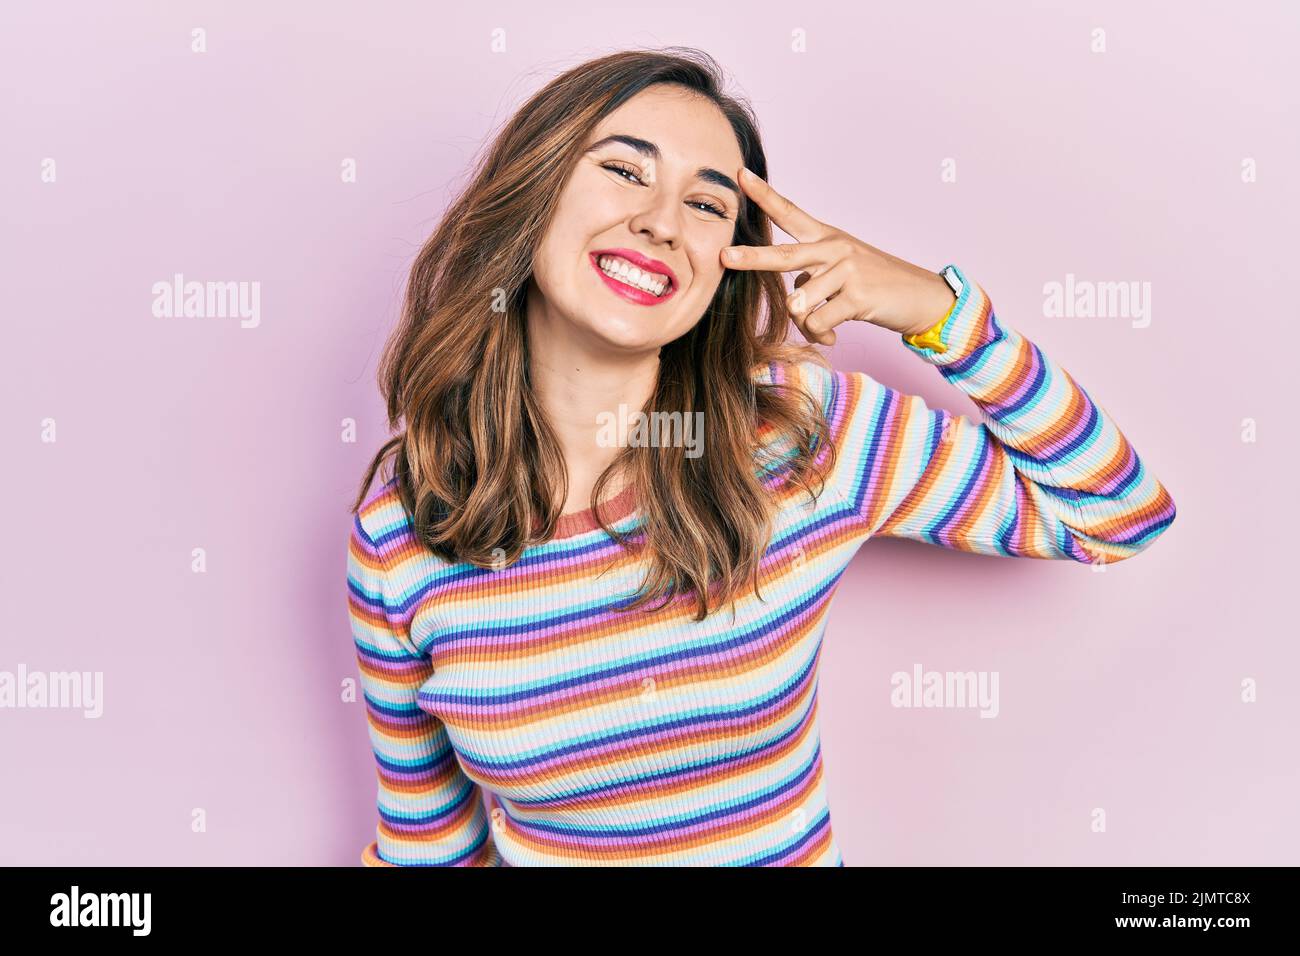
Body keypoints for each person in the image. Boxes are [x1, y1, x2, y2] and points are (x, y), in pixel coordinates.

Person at [345, 47, 1176, 866]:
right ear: (531, 194)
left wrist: (937, 310)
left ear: (724, 269)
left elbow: (1116, 515)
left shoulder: (798, 434)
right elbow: (429, 849)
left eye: (707, 207)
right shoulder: (401, 535)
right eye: (627, 172)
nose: (663, 222)